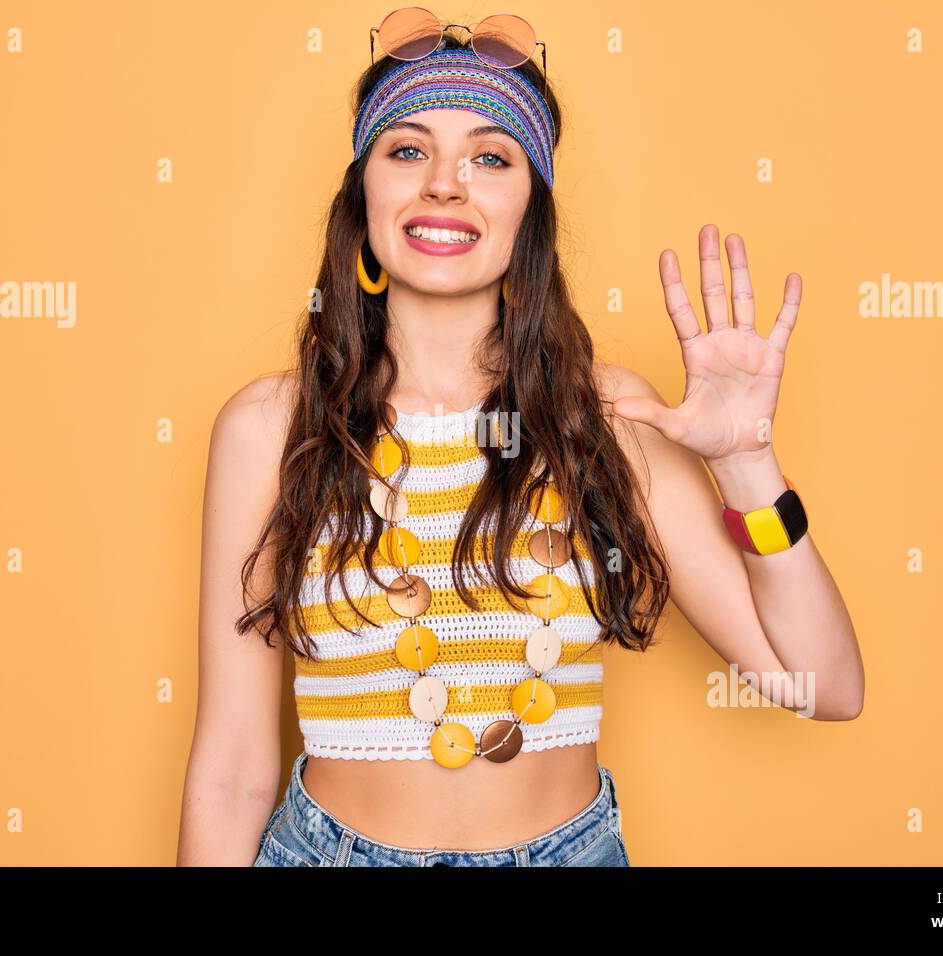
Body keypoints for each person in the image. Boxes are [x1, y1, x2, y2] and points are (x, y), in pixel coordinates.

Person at [177, 9, 862, 868]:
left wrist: (746, 460)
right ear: (363, 194)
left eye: (491, 158)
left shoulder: (604, 416)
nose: (445, 185)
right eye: (408, 149)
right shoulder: (267, 430)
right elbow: (233, 768)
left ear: (530, 207)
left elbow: (826, 687)